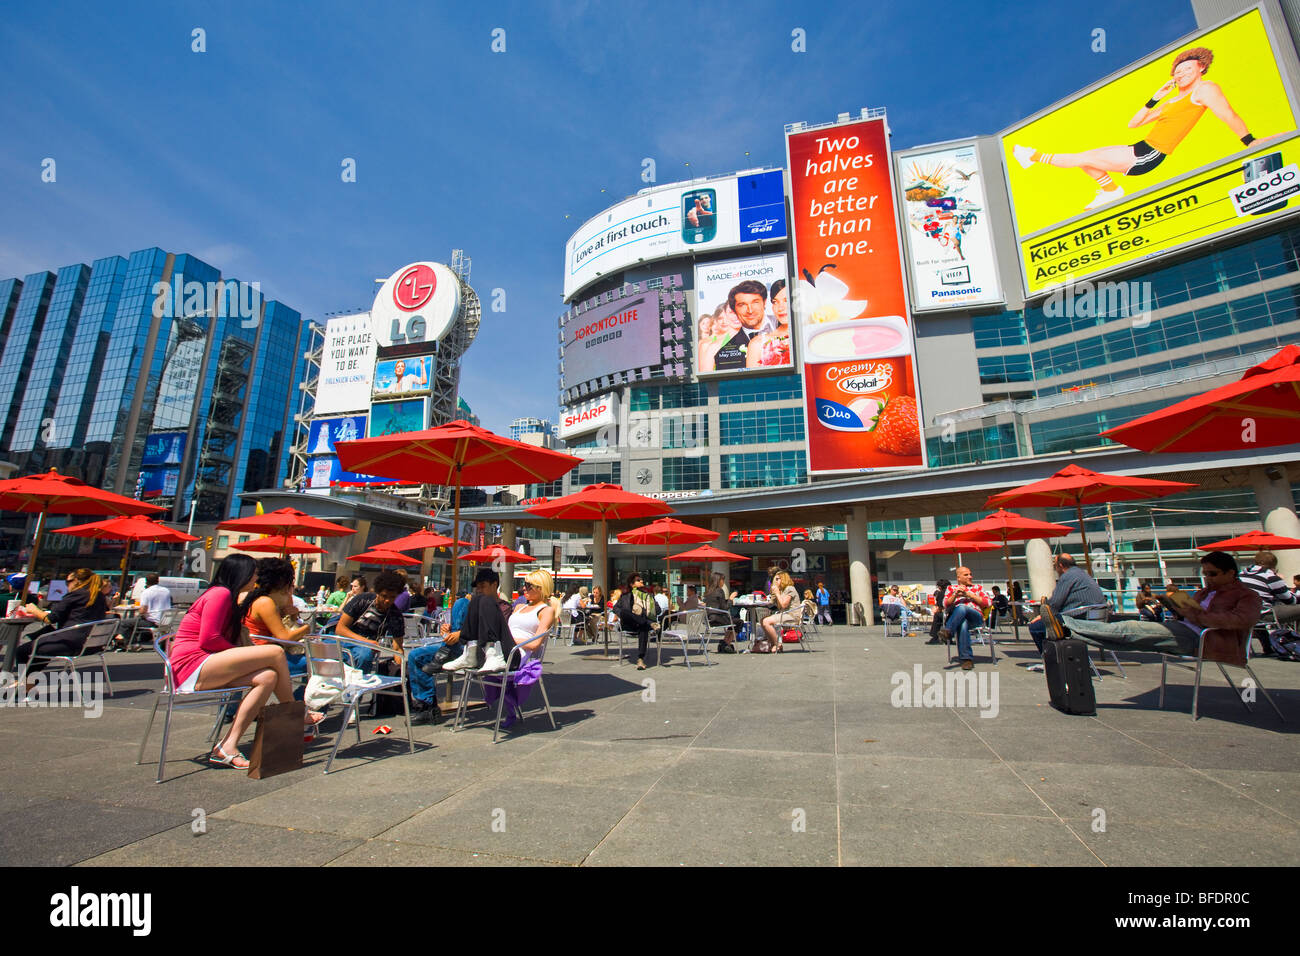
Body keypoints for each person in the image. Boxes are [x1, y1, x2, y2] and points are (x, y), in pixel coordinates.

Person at [1013, 46, 1260, 211]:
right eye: (1178, 70)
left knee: (1085, 158)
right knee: (1087, 161)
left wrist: (1249, 141)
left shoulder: (1205, 90)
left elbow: (1228, 114)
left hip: (1151, 154)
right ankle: (1110, 189)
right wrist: (1155, 97)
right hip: (1139, 147)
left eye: (1187, 68)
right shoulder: (1173, 101)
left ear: (1201, 68)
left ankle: (1033, 157)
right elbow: (1135, 123)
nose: (1182, 73)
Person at [168, 554, 319, 770]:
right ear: (241, 573)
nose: (256, 577)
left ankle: (228, 746)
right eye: (253, 572)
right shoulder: (219, 594)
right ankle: (298, 713)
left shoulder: (228, 595)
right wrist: (242, 654)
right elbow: (209, 638)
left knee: (268, 677)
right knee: (275, 652)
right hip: (191, 664)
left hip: (202, 663)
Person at [1044, 551, 1260, 664]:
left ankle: (1064, 625)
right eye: (1205, 574)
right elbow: (1191, 612)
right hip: (1186, 630)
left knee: (1130, 630)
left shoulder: (1247, 596)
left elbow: (1237, 621)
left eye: (1213, 574)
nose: (1208, 579)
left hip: (1207, 641)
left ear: (1231, 572)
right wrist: (1173, 602)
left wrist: (1192, 613)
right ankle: (1067, 628)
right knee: (1126, 638)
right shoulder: (1206, 592)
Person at [481, 569, 557, 717]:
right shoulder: (519, 606)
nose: (524, 588)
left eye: (529, 585)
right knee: (477, 605)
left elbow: (535, 644)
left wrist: (508, 639)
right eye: (524, 584)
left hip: (516, 653)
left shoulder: (546, 610)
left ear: (540, 588)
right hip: (502, 647)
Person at [15, 568, 111, 681]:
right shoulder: (98, 596)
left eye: (68, 582)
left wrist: (34, 610)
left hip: (71, 643)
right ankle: (26, 684)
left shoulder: (76, 595)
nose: (67, 585)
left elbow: (50, 619)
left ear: (77, 581)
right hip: (91, 645)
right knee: (40, 647)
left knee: (23, 650)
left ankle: (24, 684)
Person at [1026, 554, 1107, 667]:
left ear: (1060, 565)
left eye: (1055, 565)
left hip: (1078, 621)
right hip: (1095, 619)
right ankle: (1064, 658)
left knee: (1036, 627)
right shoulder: (1082, 574)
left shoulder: (1067, 576)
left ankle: (1052, 662)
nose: (1055, 568)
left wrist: (1042, 615)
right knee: (1048, 624)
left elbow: (1055, 602)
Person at [242, 558, 311, 678]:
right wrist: (306, 628)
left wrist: (291, 614)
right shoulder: (266, 602)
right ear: (281, 581)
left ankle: (294, 696)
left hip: (254, 651)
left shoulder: (255, 597)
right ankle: (298, 696)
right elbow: (285, 637)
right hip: (262, 656)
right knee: (314, 664)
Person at [335, 570, 407, 673]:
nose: (387, 600)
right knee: (307, 659)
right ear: (377, 593)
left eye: (392, 597)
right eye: (384, 596)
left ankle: (358, 686)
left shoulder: (395, 615)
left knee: (364, 655)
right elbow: (340, 629)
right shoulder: (362, 600)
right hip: (342, 641)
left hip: (364, 650)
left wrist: (401, 670)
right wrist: (367, 642)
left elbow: (397, 648)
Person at [443, 568, 512, 672]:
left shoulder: (504, 607)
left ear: (494, 585)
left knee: (483, 600)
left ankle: (493, 654)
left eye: (483, 586)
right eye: (477, 587)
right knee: (469, 600)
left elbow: (498, 630)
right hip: (473, 649)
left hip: (501, 650)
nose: (479, 590)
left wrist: (460, 634)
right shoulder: (477, 602)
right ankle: (469, 654)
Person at [712, 280, 776, 371]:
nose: (750, 310)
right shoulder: (724, 355)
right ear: (734, 310)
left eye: (755, 302)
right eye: (742, 305)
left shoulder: (785, 325)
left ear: (764, 303)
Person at [942, 567, 991, 671]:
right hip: (958, 619)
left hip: (975, 617)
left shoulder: (978, 587)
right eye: (966, 575)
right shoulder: (951, 588)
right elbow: (945, 604)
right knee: (963, 623)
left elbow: (988, 603)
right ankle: (966, 659)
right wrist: (955, 594)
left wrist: (970, 595)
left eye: (970, 574)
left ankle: (948, 631)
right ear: (958, 577)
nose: (970, 577)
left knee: (962, 607)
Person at [746, 278, 793, 369]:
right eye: (775, 302)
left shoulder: (808, 335)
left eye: (786, 300)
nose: (780, 308)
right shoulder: (757, 344)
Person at [616, 572, 657, 670]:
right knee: (625, 612)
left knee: (643, 626)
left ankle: (640, 659)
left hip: (641, 624)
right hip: (629, 623)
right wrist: (623, 613)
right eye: (638, 580)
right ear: (632, 584)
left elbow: (658, 609)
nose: (641, 581)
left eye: (641, 579)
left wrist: (650, 607)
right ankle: (649, 623)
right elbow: (616, 608)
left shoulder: (648, 595)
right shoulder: (625, 595)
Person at [760, 571, 802, 650]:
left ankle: (777, 644)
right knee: (762, 620)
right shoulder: (781, 590)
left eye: (777, 579)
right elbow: (771, 603)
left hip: (791, 615)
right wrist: (773, 593)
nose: (775, 581)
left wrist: (777, 593)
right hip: (784, 614)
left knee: (766, 621)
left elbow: (783, 605)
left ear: (784, 579)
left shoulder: (790, 589)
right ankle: (772, 643)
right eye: (775, 579)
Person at [925, 578, 952, 644]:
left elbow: (940, 606)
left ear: (940, 587)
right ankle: (948, 638)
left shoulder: (941, 593)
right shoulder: (953, 592)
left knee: (937, 616)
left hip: (946, 614)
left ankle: (935, 637)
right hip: (954, 613)